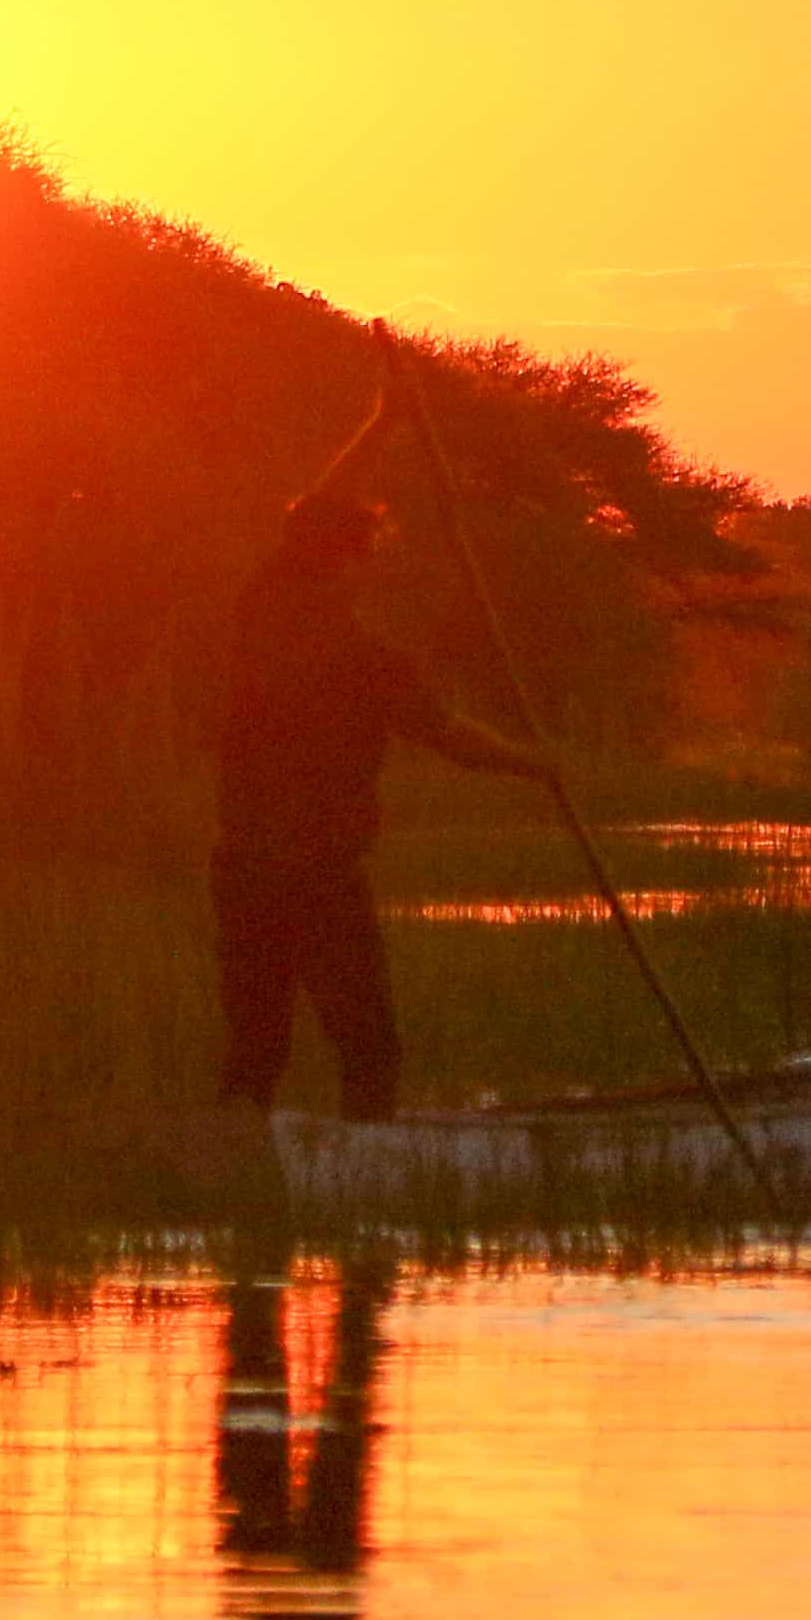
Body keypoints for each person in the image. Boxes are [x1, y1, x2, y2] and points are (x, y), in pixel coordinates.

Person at [210, 451, 554, 1121]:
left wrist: (381, 423)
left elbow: (309, 510)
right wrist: (536, 765)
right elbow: (450, 735)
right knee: (368, 1044)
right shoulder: (365, 662)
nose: (370, 570)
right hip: (316, 876)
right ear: (342, 563)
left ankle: (245, 1165)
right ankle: (363, 1165)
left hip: (244, 869)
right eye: (362, 555)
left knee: (256, 1042)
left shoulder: (261, 615)